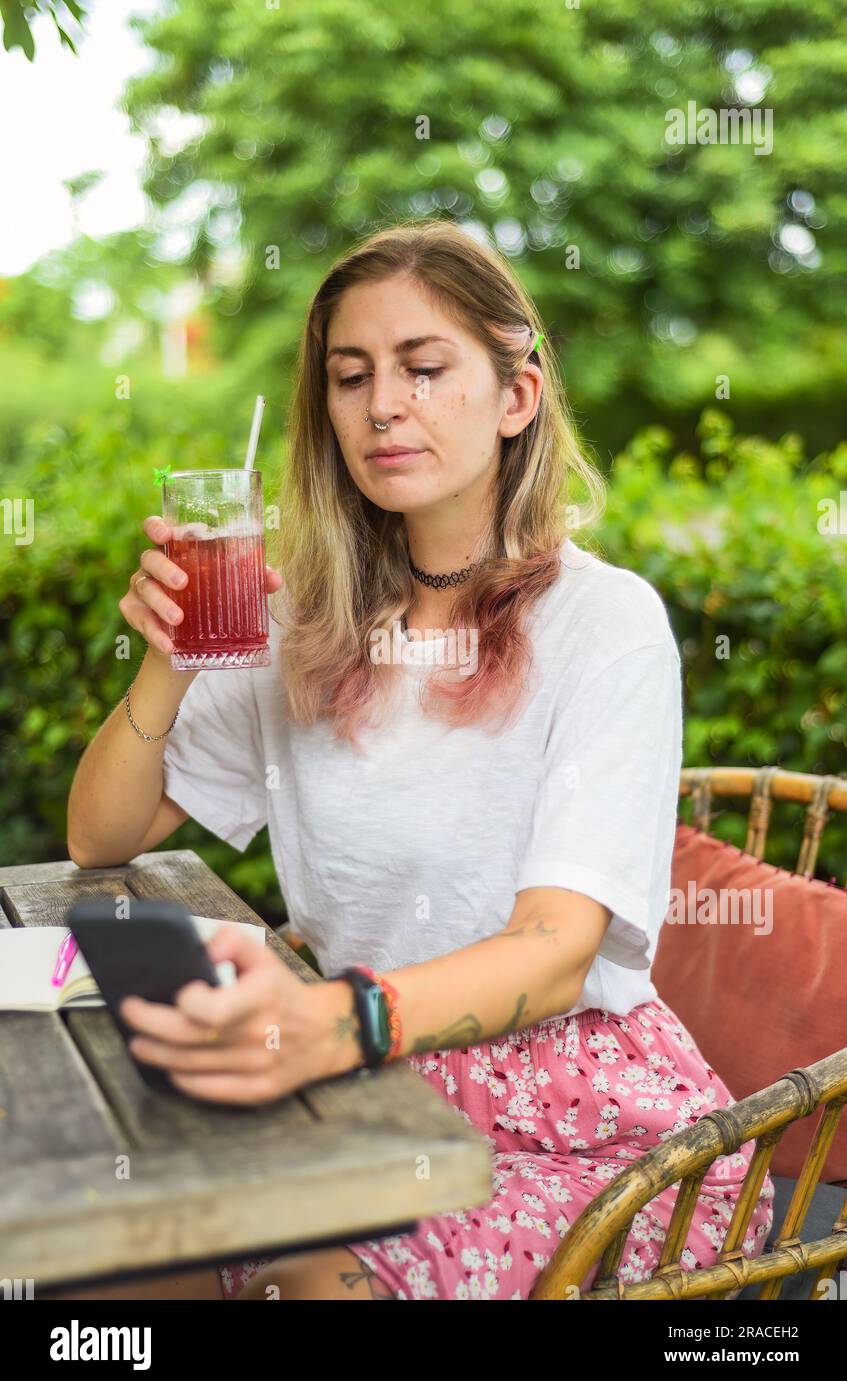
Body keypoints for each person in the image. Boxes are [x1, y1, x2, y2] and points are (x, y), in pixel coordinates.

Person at [65, 218, 774, 1302]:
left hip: (585, 1134)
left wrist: (335, 1018)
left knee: (303, 1273)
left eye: (423, 368)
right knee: (119, 1249)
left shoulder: (605, 623)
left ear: (516, 397)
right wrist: (169, 659)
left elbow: (556, 950)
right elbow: (99, 837)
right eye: (350, 377)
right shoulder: (302, 622)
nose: (382, 405)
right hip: (360, 1083)